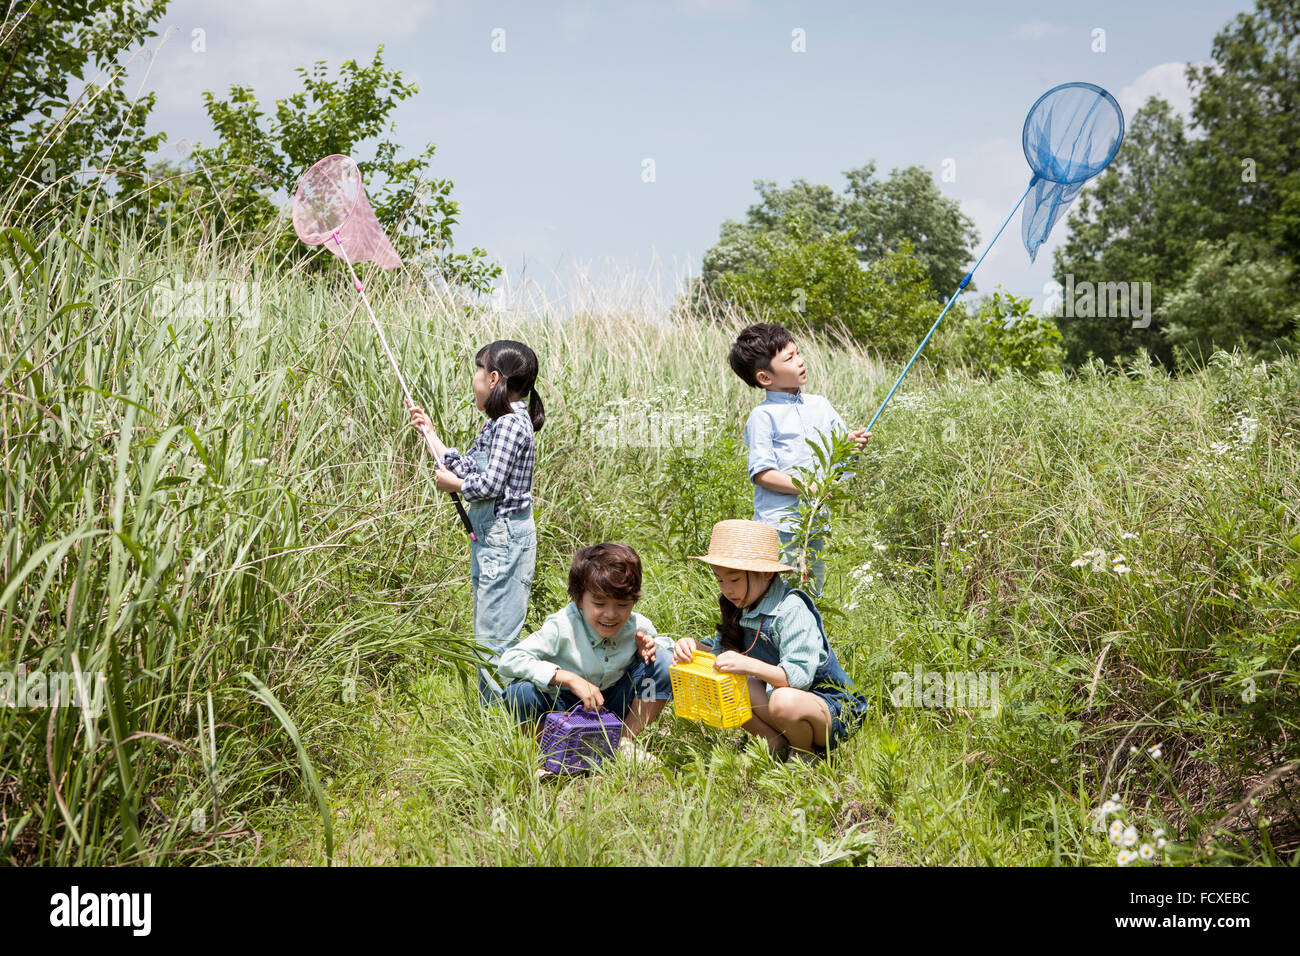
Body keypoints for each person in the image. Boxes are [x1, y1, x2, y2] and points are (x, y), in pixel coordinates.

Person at [408, 340, 543, 701]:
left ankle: (502, 723)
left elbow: (488, 484)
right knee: (487, 636)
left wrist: (455, 485)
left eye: (478, 370)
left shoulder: (511, 426)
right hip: (492, 541)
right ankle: (497, 719)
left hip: (504, 540)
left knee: (494, 642)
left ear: (494, 378)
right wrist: (430, 433)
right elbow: (468, 465)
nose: (474, 379)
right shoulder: (497, 425)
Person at [672, 519, 868, 759]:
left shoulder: (791, 609)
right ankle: (775, 746)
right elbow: (720, 654)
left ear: (766, 574)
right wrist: (692, 647)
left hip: (830, 708)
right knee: (725, 679)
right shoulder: (738, 605)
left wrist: (749, 665)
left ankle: (805, 754)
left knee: (782, 700)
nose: (727, 589)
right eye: (719, 580)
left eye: (734, 580)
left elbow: (798, 679)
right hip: (784, 702)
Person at [728, 323, 871, 597]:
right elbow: (762, 473)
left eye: (798, 352)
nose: (800, 361)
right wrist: (808, 485)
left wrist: (852, 447)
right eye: (789, 358)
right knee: (776, 595)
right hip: (779, 526)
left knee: (811, 593)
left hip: (814, 523)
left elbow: (840, 464)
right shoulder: (763, 416)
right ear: (765, 378)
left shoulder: (821, 405)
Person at [498, 543, 671, 769]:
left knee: (662, 663)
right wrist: (568, 678)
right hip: (563, 708)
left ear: (633, 602)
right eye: (599, 604)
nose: (610, 614)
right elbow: (510, 660)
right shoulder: (562, 626)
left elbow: (667, 651)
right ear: (579, 600)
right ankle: (548, 752)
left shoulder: (637, 626)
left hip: (614, 705)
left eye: (622, 605)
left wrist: (648, 648)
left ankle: (625, 741)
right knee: (519, 693)